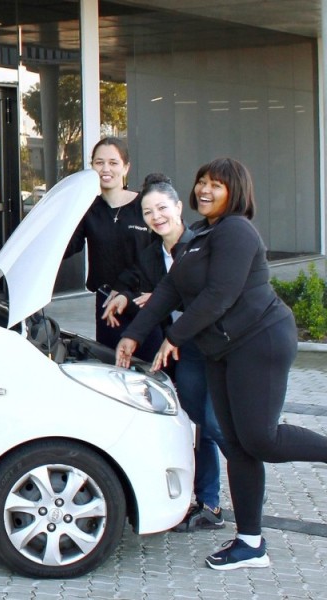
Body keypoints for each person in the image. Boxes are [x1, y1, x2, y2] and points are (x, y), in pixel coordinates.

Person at [116, 158, 327, 570]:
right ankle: (250, 543)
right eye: (201, 182)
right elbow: (169, 290)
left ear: (236, 190)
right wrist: (133, 334)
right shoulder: (199, 235)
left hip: (259, 341)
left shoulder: (236, 231)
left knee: (260, 439)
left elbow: (219, 296)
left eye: (215, 184)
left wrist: (174, 338)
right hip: (221, 350)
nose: (204, 190)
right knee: (236, 443)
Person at [102, 173, 226, 532]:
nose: (156, 217)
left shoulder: (200, 245)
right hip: (180, 350)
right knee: (194, 421)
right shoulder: (149, 253)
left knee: (213, 424)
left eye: (162, 208)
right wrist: (124, 296)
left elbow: (209, 297)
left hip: (215, 347)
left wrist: (158, 298)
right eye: (148, 212)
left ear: (178, 207)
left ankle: (235, 483)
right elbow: (134, 282)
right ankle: (204, 502)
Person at [64, 137, 158, 355]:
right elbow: (69, 247)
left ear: (126, 167)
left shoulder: (145, 205)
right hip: (108, 304)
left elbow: (160, 253)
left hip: (144, 301)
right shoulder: (88, 209)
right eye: (99, 162)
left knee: (149, 367)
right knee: (112, 365)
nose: (106, 169)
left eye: (113, 163)